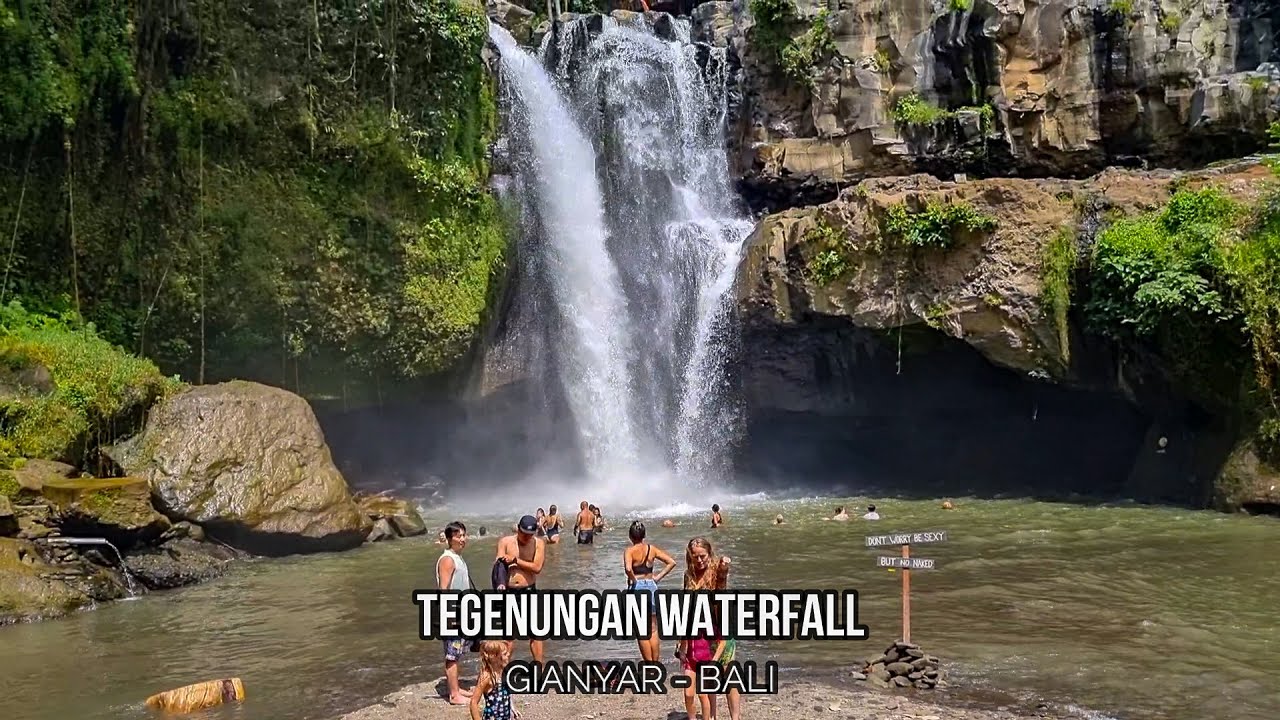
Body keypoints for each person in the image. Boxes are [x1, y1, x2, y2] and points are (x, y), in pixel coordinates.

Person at [678, 537, 739, 720]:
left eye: (702, 556)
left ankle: (735, 717)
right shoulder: (688, 574)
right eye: (695, 557)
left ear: (709, 554)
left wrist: (724, 567)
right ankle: (711, 717)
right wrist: (682, 640)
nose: (699, 560)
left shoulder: (714, 570)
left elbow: (721, 583)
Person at [622, 521, 676, 662]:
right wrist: (657, 578)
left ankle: (648, 664)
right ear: (644, 535)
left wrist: (634, 580)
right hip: (652, 587)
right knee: (653, 629)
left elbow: (628, 569)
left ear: (630, 536)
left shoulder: (629, 551)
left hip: (637, 588)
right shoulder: (652, 549)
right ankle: (656, 663)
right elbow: (671, 562)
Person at [495, 515, 546, 662]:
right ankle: (503, 670)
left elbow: (537, 567)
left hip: (528, 590)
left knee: (535, 632)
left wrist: (515, 561)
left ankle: (539, 668)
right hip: (508, 592)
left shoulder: (539, 543)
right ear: (518, 529)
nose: (527, 537)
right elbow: (498, 565)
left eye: (530, 535)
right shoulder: (505, 542)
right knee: (508, 635)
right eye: (524, 534)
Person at [437, 521, 473, 705]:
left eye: (464, 535)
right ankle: (453, 695)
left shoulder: (457, 557)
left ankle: (456, 688)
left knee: (457, 652)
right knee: (452, 654)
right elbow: (443, 590)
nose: (463, 539)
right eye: (459, 536)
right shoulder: (447, 560)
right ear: (450, 539)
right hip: (453, 613)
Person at [469, 640, 518, 720]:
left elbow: (507, 693)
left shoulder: (503, 670)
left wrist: (512, 707)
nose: (508, 654)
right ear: (494, 657)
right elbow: (473, 702)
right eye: (505, 654)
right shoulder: (487, 676)